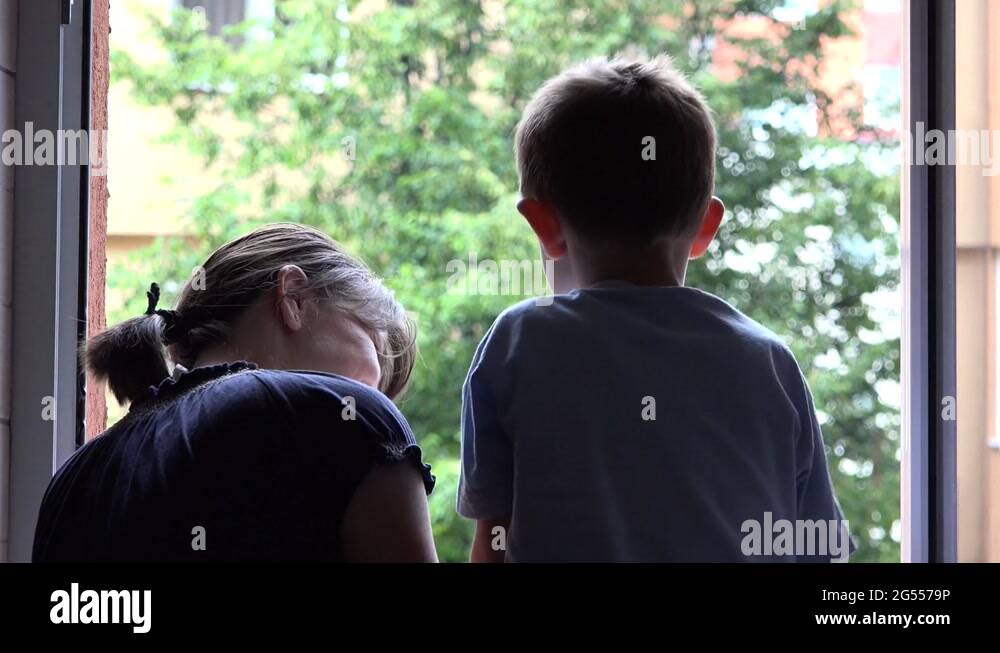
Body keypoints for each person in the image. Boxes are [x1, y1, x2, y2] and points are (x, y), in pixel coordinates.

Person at [457, 55, 853, 562]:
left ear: (543, 224)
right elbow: (820, 550)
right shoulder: (768, 361)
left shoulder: (519, 343)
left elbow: (493, 540)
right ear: (707, 226)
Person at [33, 223, 437, 562]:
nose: (373, 388)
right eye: (374, 350)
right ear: (294, 297)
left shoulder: (73, 479)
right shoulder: (342, 414)